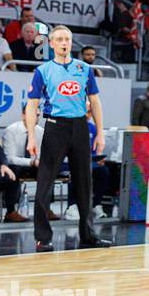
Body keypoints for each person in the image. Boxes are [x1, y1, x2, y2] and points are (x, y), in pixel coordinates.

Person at [25, 25, 111, 251]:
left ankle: (88, 235)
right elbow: (32, 104)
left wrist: (100, 132)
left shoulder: (84, 69)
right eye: (60, 39)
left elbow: (95, 101)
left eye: (68, 39)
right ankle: (43, 237)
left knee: (85, 182)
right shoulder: (43, 71)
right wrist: (31, 137)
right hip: (55, 127)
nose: (64, 43)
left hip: (80, 126)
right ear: (51, 44)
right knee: (45, 182)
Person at [1, 104, 40, 222]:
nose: (36, 118)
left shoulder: (41, 131)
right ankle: (10, 211)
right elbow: (10, 158)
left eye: (38, 115)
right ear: (23, 115)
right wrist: (32, 162)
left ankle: (45, 209)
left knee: (48, 169)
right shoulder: (11, 130)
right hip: (17, 165)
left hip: (34, 165)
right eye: (33, 115)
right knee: (13, 169)